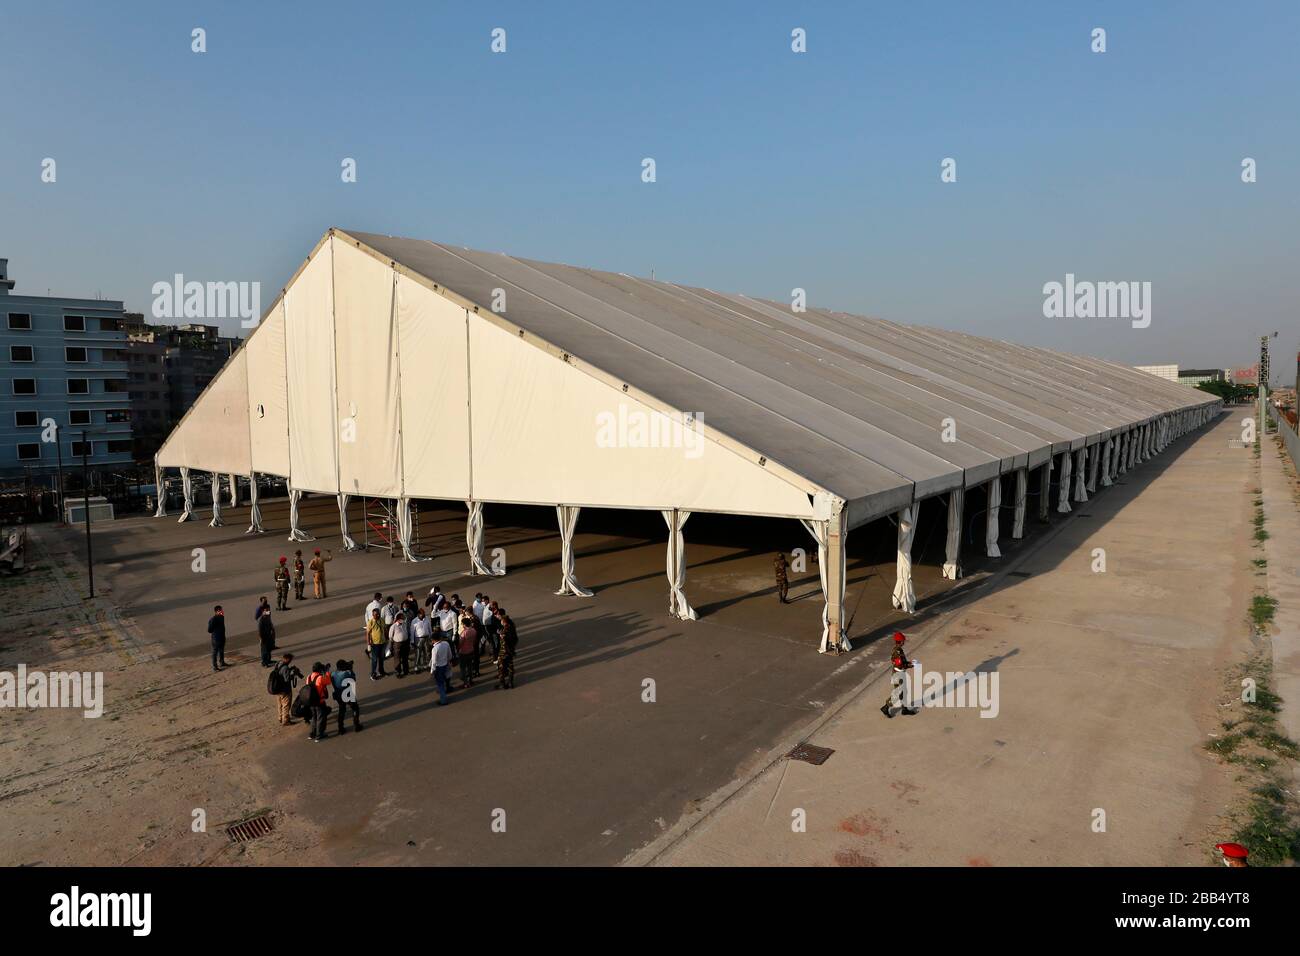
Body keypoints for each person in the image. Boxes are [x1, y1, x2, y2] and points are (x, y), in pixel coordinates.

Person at [881, 631, 918, 718]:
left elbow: (902, 662)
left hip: (899, 673)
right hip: (898, 675)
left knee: (903, 692)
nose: (904, 642)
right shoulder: (897, 652)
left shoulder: (898, 650)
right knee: (897, 693)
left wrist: (910, 662)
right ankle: (886, 707)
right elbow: (900, 664)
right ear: (900, 641)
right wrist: (911, 665)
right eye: (903, 641)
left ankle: (904, 709)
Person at [332, 658, 363, 734]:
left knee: (341, 711)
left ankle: (340, 728)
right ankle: (356, 725)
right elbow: (353, 680)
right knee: (355, 708)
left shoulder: (332, 674)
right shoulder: (346, 673)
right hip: (348, 694)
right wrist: (351, 670)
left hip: (338, 695)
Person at [272, 653, 303, 725]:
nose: (290, 661)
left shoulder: (278, 663)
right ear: (287, 659)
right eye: (290, 659)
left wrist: (290, 669)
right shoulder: (285, 668)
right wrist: (293, 674)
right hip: (284, 689)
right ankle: (285, 720)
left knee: (280, 704)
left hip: (277, 688)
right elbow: (287, 679)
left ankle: (280, 717)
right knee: (286, 705)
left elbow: (281, 673)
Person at [308, 662, 332, 740]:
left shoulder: (309, 677)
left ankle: (312, 733)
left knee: (314, 717)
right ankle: (319, 735)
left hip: (311, 701)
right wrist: (327, 672)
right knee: (321, 718)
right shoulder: (320, 678)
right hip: (319, 701)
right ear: (320, 669)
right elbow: (328, 681)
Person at [495, 608, 517, 690]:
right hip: (510, 651)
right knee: (510, 667)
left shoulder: (504, 631)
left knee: (501, 667)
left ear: (504, 622)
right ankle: (510, 683)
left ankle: (502, 684)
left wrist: (501, 635)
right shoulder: (512, 628)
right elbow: (515, 639)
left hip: (503, 651)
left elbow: (504, 642)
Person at [430, 630, 452, 705]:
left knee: (440, 683)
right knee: (446, 679)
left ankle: (443, 700)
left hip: (439, 668)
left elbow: (434, 662)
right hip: (445, 665)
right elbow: (450, 654)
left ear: (433, 640)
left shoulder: (435, 649)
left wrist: (432, 671)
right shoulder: (446, 644)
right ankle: (446, 690)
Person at [457, 611, 478, 688]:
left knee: (463, 668)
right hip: (471, 650)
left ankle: (465, 683)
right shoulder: (473, 630)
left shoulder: (464, 633)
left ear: (464, 624)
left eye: (462, 624)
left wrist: (457, 650)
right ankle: (471, 681)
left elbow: (460, 643)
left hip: (463, 652)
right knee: (469, 667)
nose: (462, 625)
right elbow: (475, 640)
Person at [365, 607, 387, 679]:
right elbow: (368, 634)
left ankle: (381, 671)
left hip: (382, 642)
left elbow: (385, 629)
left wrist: (387, 638)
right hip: (374, 644)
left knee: (381, 658)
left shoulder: (382, 620)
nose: (377, 615)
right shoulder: (370, 622)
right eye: (376, 614)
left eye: (378, 614)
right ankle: (373, 674)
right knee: (374, 660)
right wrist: (368, 644)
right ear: (373, 615)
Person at [207, 605, 227, 671]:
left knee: (221, 651)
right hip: (216, 639)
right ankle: (215, 666)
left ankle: (222, 662)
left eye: (222, 610)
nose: (222, 611)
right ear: (217, 611)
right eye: (220, 610)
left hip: (222, 637)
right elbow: (209, 630)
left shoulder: (222, 617)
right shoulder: (213, 619)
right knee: (215, 652)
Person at [438, 601, 458, 666]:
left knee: (451, 647)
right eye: (443, 607)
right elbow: (433, 615)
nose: (444, 608)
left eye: (446, 607)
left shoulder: (453, 614)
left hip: (449, 631)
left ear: (449, 607)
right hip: (442, 632)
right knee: (444, 647)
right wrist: (435, 607)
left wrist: (454, 634)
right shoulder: (441, 612)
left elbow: (455, 624)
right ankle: (447, 661)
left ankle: (454, 660)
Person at [390, 611, 410, 677]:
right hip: (397, 644)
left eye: (403, 619)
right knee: (397, 658)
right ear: (398, 619)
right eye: (401, 619)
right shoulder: (393, 626)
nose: (403, 620)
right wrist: (394, 642)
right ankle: (398, 672)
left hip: (405, 643)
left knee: (405, 658)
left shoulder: (404, 624)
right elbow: (390, 636)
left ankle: (406, 671)